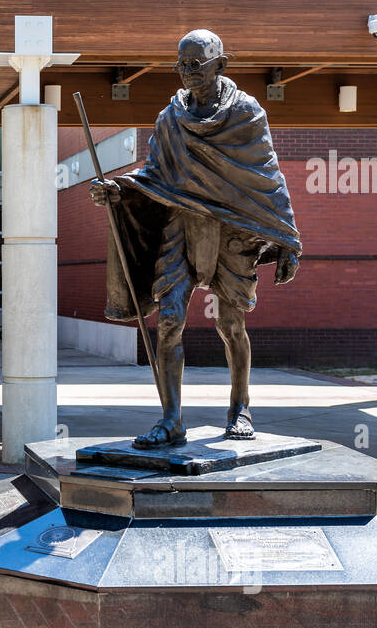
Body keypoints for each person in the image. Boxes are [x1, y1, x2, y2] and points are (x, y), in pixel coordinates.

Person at [90, 29, 301, 448]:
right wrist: (120, 190)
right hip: (181, 227)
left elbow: (267, 178)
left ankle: (240, 407)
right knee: (169, 320)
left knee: (230, 323)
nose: (188, 73)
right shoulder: (170, 119)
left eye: (197, 65)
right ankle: (171, 421)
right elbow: (156, 175)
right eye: (181, 66)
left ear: (221, 65)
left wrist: (289, 240)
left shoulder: (246, 112)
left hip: (231, 232)